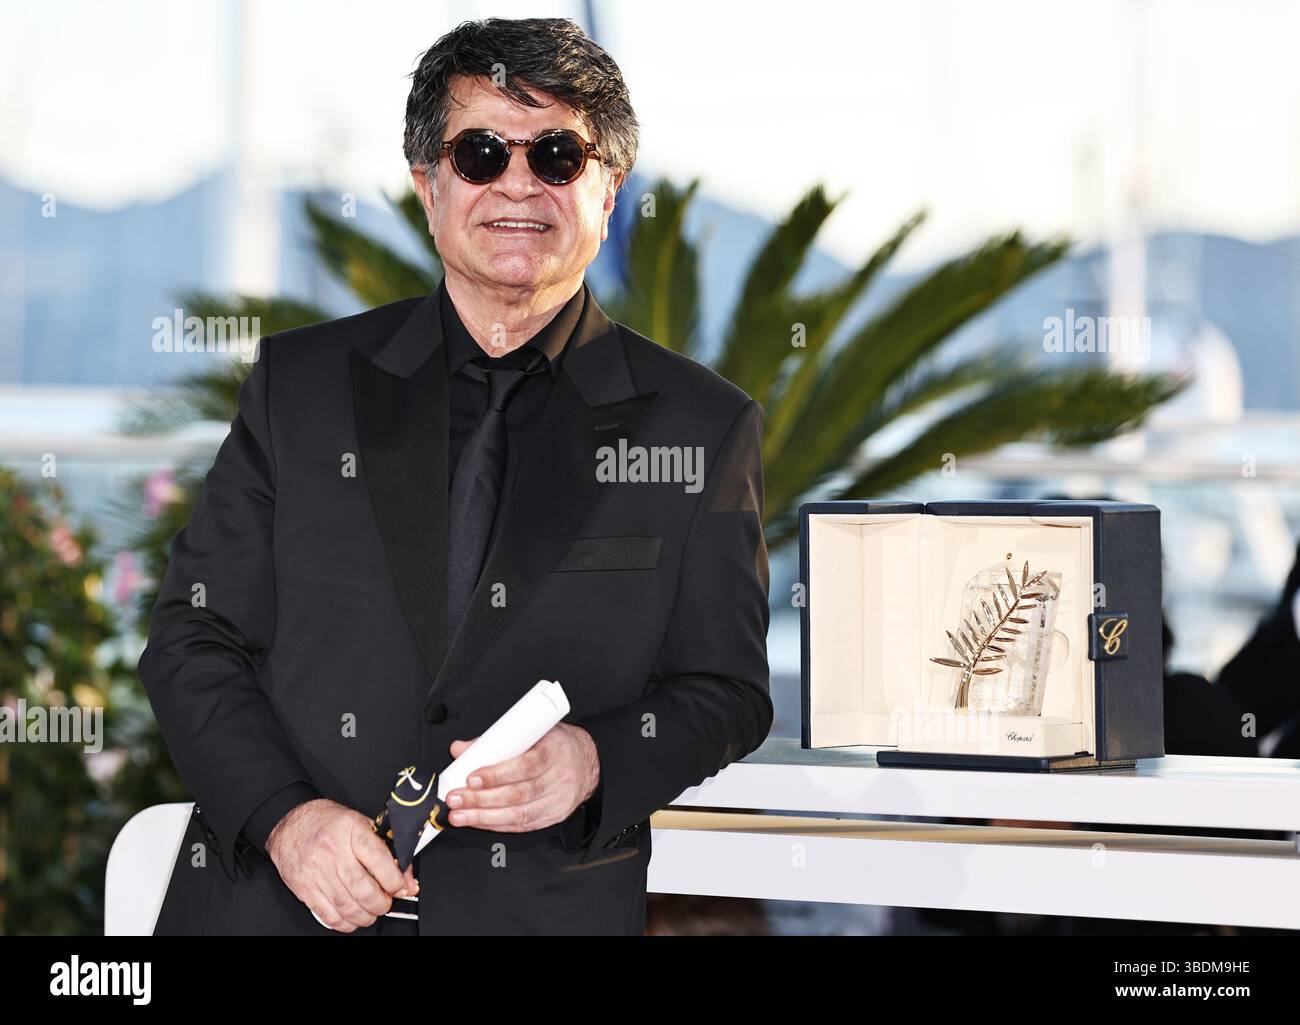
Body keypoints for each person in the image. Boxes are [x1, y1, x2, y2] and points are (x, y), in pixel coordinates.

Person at [138, 16, 772, 936]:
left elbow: (727, 690)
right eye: (480, 153)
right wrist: (287, 819)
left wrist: (594, 759)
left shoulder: (704, 425)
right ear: (427, 187)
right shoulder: (301, 388)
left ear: (610, 190)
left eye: (558, 155)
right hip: (273, 909)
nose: (519, 184)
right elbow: (194, 636)